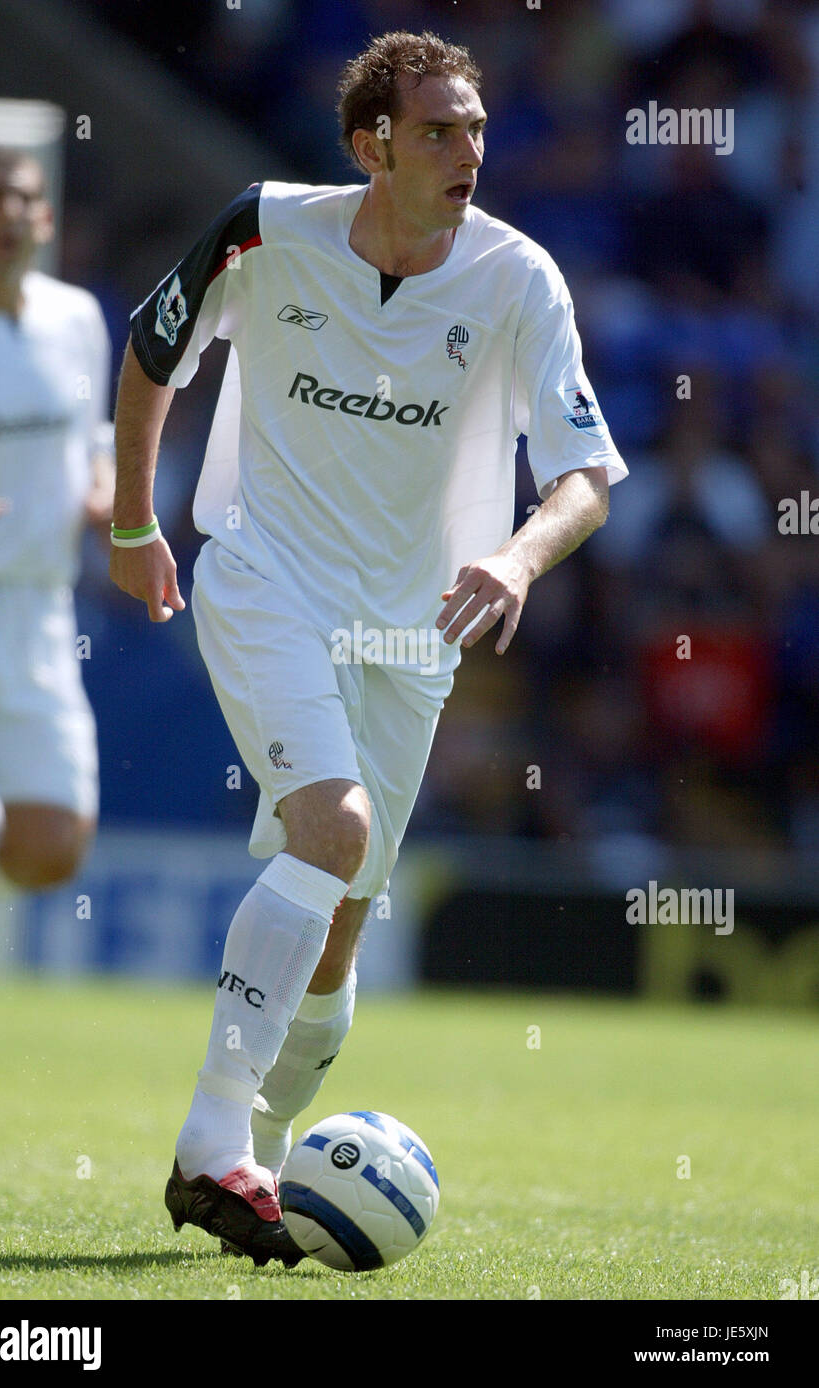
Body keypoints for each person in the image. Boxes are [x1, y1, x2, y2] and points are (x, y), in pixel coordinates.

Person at [110, 30, 628, 1268]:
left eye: (475, 127)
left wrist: (516, 558)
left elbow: (584, 477)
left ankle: (262, 1146)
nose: (466, 150)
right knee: (331, 831)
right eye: (438, 130)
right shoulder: (263, 227)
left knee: (340, 918)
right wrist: (132, 523)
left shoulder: (517, 277)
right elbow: (152, 351)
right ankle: (210, 1137)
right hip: (266, 577)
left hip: (408, 631)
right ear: (370, 145)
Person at [0, 148, 113, 900]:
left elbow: (95, 440)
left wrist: (107, 493)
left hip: (38, 605)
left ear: (46, 218)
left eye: (24, 199)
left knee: (51, 846)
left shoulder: (75, 317)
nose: (8, 214)